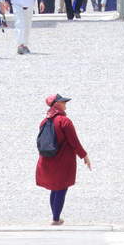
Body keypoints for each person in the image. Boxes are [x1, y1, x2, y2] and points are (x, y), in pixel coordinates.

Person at [35, 93, 90, 226]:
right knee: (61, 188)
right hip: (62, 161)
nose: (65, 104)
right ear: (57, 104)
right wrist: (84, 155)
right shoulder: (65, 121)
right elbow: (74, 142)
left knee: (55, 188)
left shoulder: (44, 121)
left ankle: (55, 217)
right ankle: (55, 219)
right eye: (63, 102)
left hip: (47, 160)